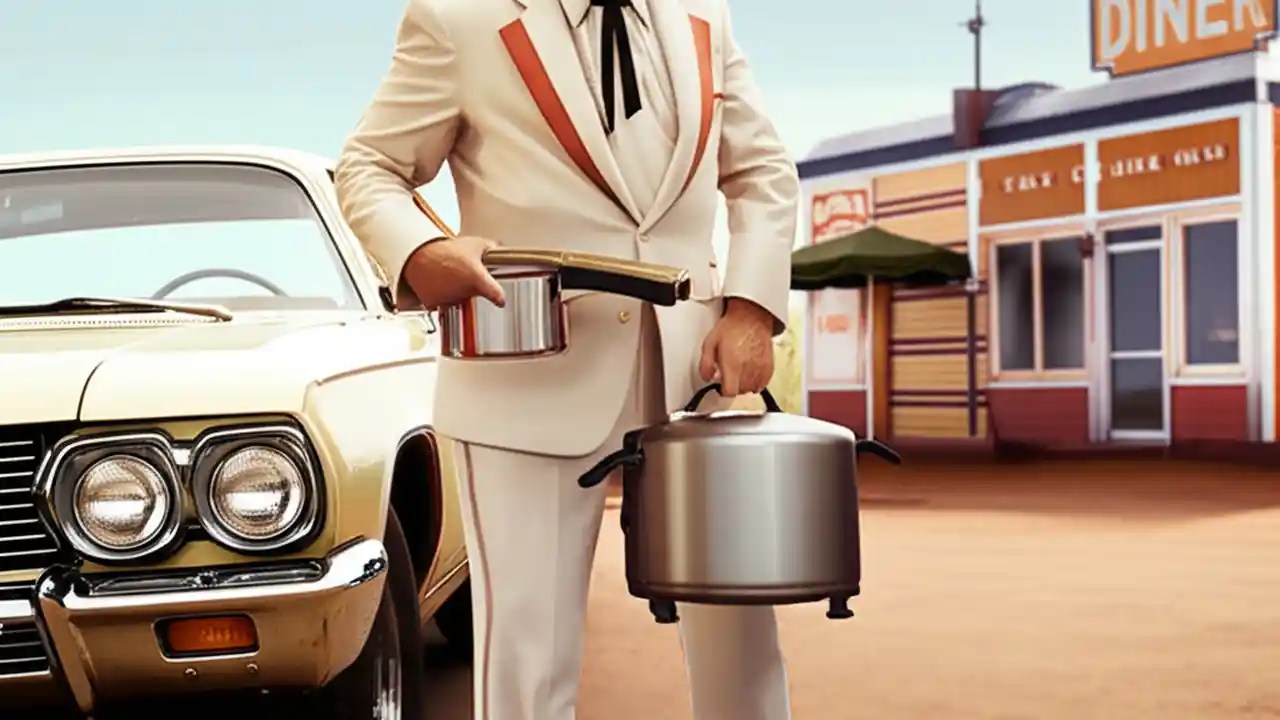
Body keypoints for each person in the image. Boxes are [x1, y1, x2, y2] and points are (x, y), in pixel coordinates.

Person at [334, 0, 798, 716]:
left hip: (691, 375)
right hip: (526, 371)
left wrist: (753, 308)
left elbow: (762, 169)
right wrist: (419, 253)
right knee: (530, 653)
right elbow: (369, 166)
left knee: (739, 629)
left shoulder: (703, 13)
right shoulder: (456, 18)